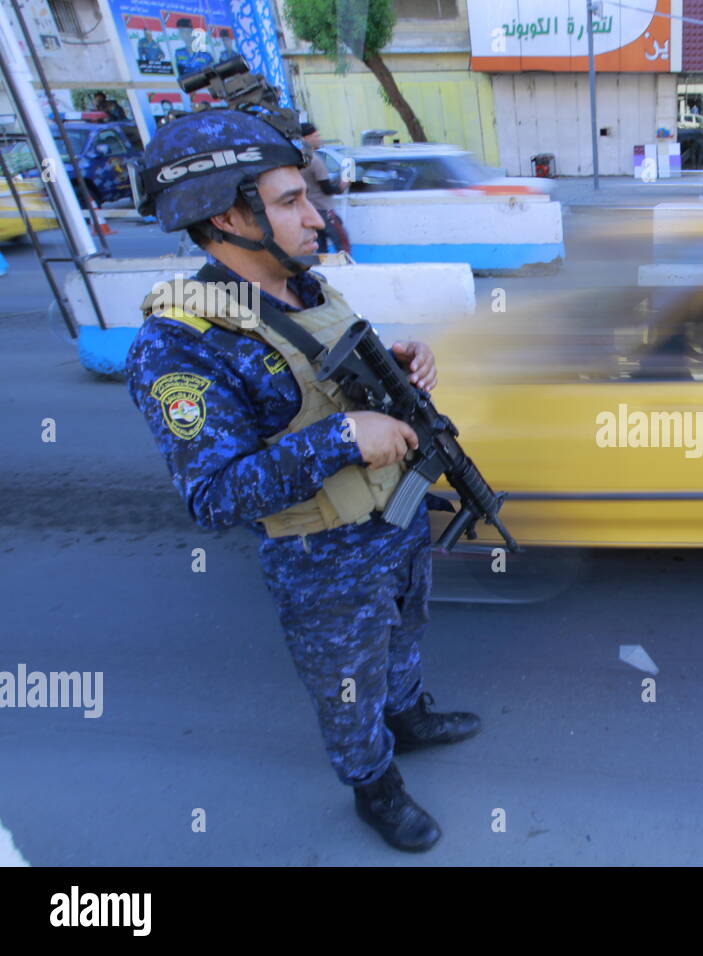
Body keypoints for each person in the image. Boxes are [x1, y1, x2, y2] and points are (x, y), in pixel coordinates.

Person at [125, 107, 481, 853]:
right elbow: (214, 495)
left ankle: (407, 714)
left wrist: (397, 361)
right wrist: (344, 437)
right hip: (322, 558)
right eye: (290, 202)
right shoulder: (180, 345)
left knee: (404, 627)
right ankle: (373, 784)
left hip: (395, 517)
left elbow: (325, 369)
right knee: (346, 681)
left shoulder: (306, 289)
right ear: (227, 215)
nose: (315, 217)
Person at [299, 122, 349, 254]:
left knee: (320, 247)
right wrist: (341, 186)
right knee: (342, 244)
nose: (319, 139)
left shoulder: (298, 159)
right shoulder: (315, 161)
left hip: (310, 210)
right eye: (316, 136)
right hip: (324, 209)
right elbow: (326, 188)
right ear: (306, 138)